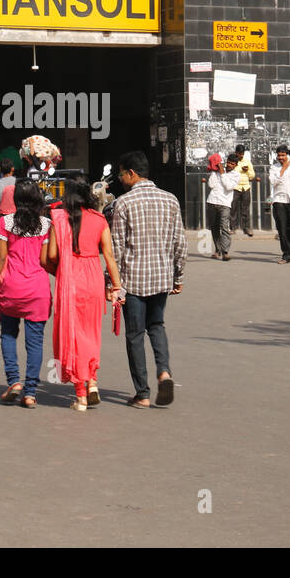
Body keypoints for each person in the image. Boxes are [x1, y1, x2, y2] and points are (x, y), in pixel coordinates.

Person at [111, 150, 185, 409]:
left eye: (121, 174)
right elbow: (180, 242)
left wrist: (113, 284)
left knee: (134, 334)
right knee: (157, 325)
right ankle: (164, 371)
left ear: (131, 174)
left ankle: (142, 392)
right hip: (162, 276)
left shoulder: (124, 203)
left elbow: (117, 248)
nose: (120, 179)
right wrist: (178, 276)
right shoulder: (171, 200)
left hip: (133, 280)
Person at [45, 176, 122, 411]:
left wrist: (63, 269)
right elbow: (109, 256)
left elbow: (50, 256)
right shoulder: (99, 220)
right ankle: (92, 380)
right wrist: (116, 287)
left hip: (70, 277)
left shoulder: (58, 219)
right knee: (91, 331)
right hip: (93, 277)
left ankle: (80, 394)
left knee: (73, 335)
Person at [0, 179, 53, 409]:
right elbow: (45, 260)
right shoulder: (45, 225)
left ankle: (14, 380)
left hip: (12, 286)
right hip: (38, 288)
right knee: (35, 342)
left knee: (8, 334)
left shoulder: (5, 223)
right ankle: (31, 392)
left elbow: (1, 258)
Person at [205, 153, 239, 261]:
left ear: (236, 165)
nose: (229, 165)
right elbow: (211, 184)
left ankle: (225, 252)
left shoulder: (236, 175)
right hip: (212, 201)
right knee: (214, 227)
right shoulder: (218, 170)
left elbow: (229, 187)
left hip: (225, 204)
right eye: (228, 162)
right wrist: (214, 172)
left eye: (232, 164)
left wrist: (222, 173)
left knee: (224, 227)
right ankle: (217, 249)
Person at [233, 144, 258, 236]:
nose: (241, 155)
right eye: (239, 153)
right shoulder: (233, 161)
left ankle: (246, 228)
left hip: (245, 187)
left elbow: (252, 175)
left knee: (245, 209)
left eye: (242, 153)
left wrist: (247, 171)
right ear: (236, 153)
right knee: (233, 208)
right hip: (235, 187)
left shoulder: (247, 162)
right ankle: (233, 227)